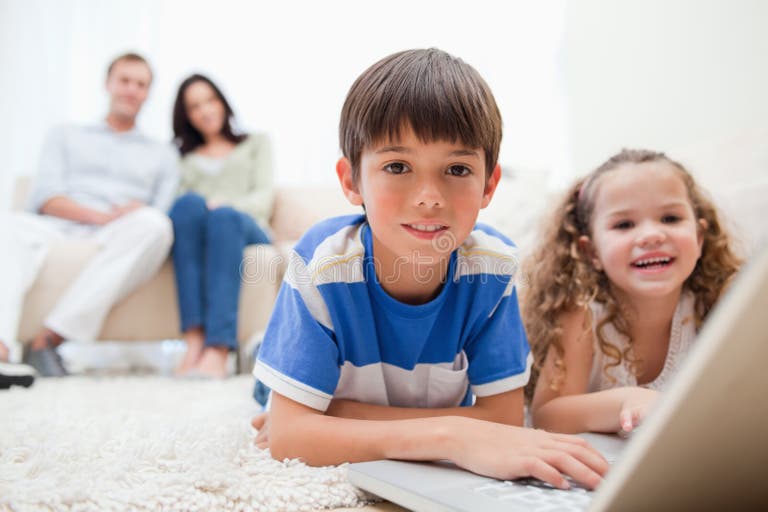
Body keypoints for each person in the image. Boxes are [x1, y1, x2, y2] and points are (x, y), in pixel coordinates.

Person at [250, 48, 607, 491]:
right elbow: (289, 438)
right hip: (315, 363)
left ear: (489, 185)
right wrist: (455, 434)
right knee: (284, 389)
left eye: (456, 169)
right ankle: (264, 356)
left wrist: (331, 415)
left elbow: (503, 419)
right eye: (397, 166)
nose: (428, 197)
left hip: (345, 398)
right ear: (351, 181)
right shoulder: (324, 264)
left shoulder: (492, 270)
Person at [524, 149, 742, 434]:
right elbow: (548, 415)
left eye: (670, 218)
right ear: (592, 251)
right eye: (624, 224)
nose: (652, 235)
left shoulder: (714, 306)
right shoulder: (582, 314)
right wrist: (629, 400)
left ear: (699, 238)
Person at [12, 52, 178, 376]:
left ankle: (50, 337)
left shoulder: (163, 153)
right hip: (58, 227)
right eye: (125, 80)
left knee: (156, 225)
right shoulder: (64, 134)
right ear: (108, 84)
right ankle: (3, 349)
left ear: (148, 93)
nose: (132, 89)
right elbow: (44, 198)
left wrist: (138, 212)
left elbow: (162, 211)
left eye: (141, 84)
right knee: (9, 227)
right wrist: (98, 216)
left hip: (121, 236)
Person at [168, 74, 273, 378]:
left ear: (222, 102)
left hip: (247, 227)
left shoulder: (256, 144)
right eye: (194, 106)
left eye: (210, 100)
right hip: (203, 232)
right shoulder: (183, 160)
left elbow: (264, 197)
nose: (205, 110)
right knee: (186, 205)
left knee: (223, 217)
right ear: (187, 116)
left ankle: (218, 348)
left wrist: (225, 205)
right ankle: (194, 340)